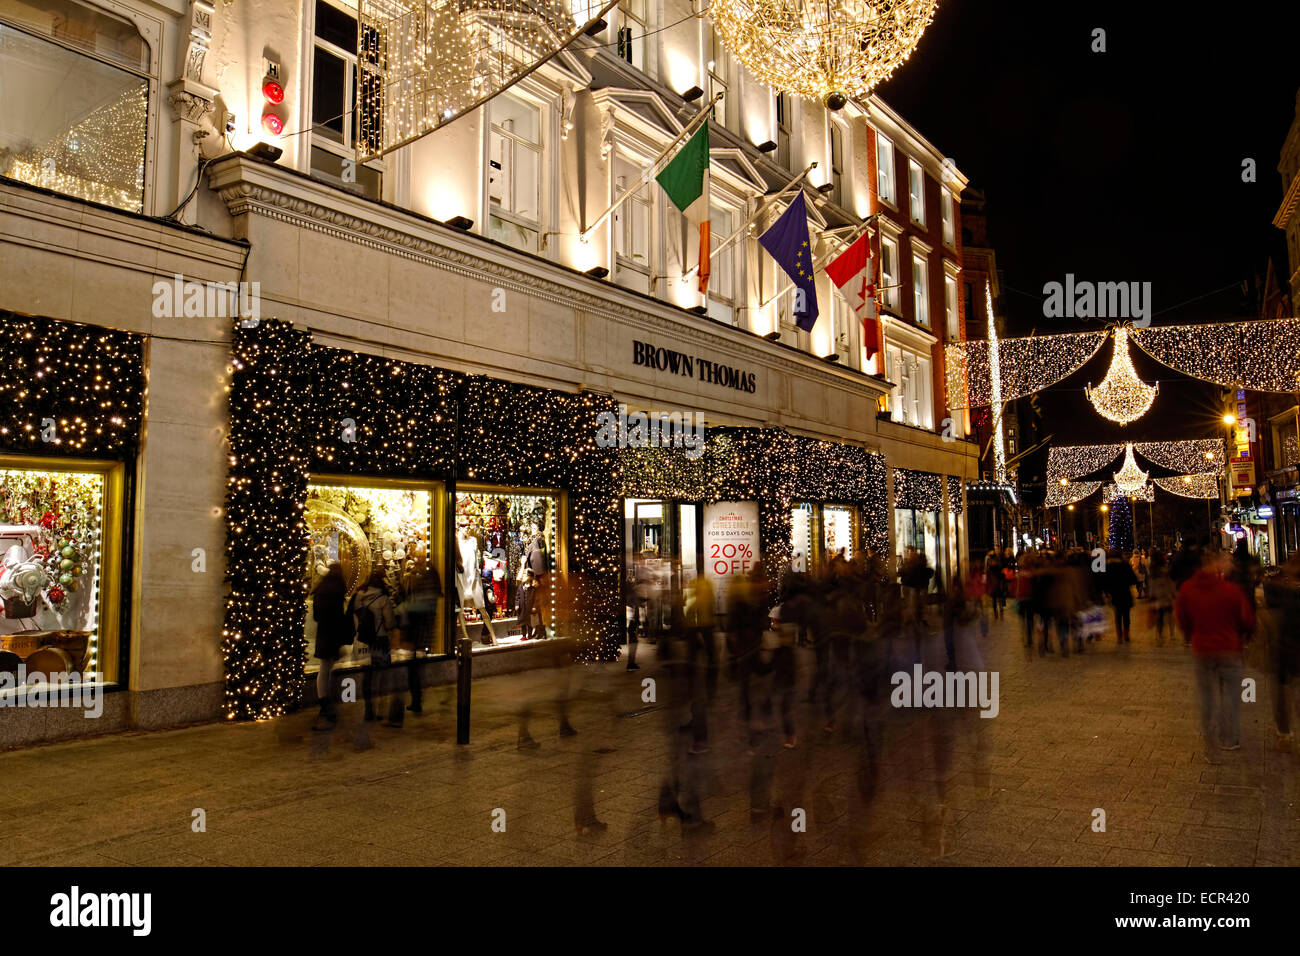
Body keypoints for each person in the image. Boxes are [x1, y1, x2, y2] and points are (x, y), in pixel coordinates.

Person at [1176, 550, 1255, 761]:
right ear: (1217, 564)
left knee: (1207, 698)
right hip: (1229, 649)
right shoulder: (1231, 591)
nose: (1231, 565)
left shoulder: (1187, 589)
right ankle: (1229, 738)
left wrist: (1191, 634)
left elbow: (1182, 620)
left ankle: (1211, 745)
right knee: (1230, 695)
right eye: (1227, 562)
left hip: (1202, 650)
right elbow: (1247, 620)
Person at [350, 568, 401, 725]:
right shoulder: (383, 598)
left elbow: (354, 616)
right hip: (380, 640)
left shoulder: (359, 596)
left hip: (363, 640)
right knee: (382, 676)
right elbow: (390, 622)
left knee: (368, 677)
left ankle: (368, 708)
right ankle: (381, 709)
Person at [311, 563, 352, 731]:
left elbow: (316, 615)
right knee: (328, 667)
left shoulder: (321, 589)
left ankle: (324, 701)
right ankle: (328, 704)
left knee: (324, 668)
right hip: (334, 633)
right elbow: (340, 615)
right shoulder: (338, 590)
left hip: (324, 633)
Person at [1105, 550, 1138, 643]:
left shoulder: (1108, 566)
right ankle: (1126, 635)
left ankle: (1119, 636)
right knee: (1126, 615)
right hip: (1125, 592)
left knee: (1118, 615)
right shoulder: (1125, 565)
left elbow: (1105, 581)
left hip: (1115, 593)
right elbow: (1133, 580)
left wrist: (1107, 591)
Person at [1149, 551, 1174, 645]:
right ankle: (1171, 633)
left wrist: (1151, 595)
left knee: (1159, 616)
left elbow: (1151, 583)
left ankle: (1159, 635)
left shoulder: (1153, 570)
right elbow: (1170, 582)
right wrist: (1172, 593)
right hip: (1166, 595)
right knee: (1169, 614)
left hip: (1157, 595)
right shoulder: (1165, 569)